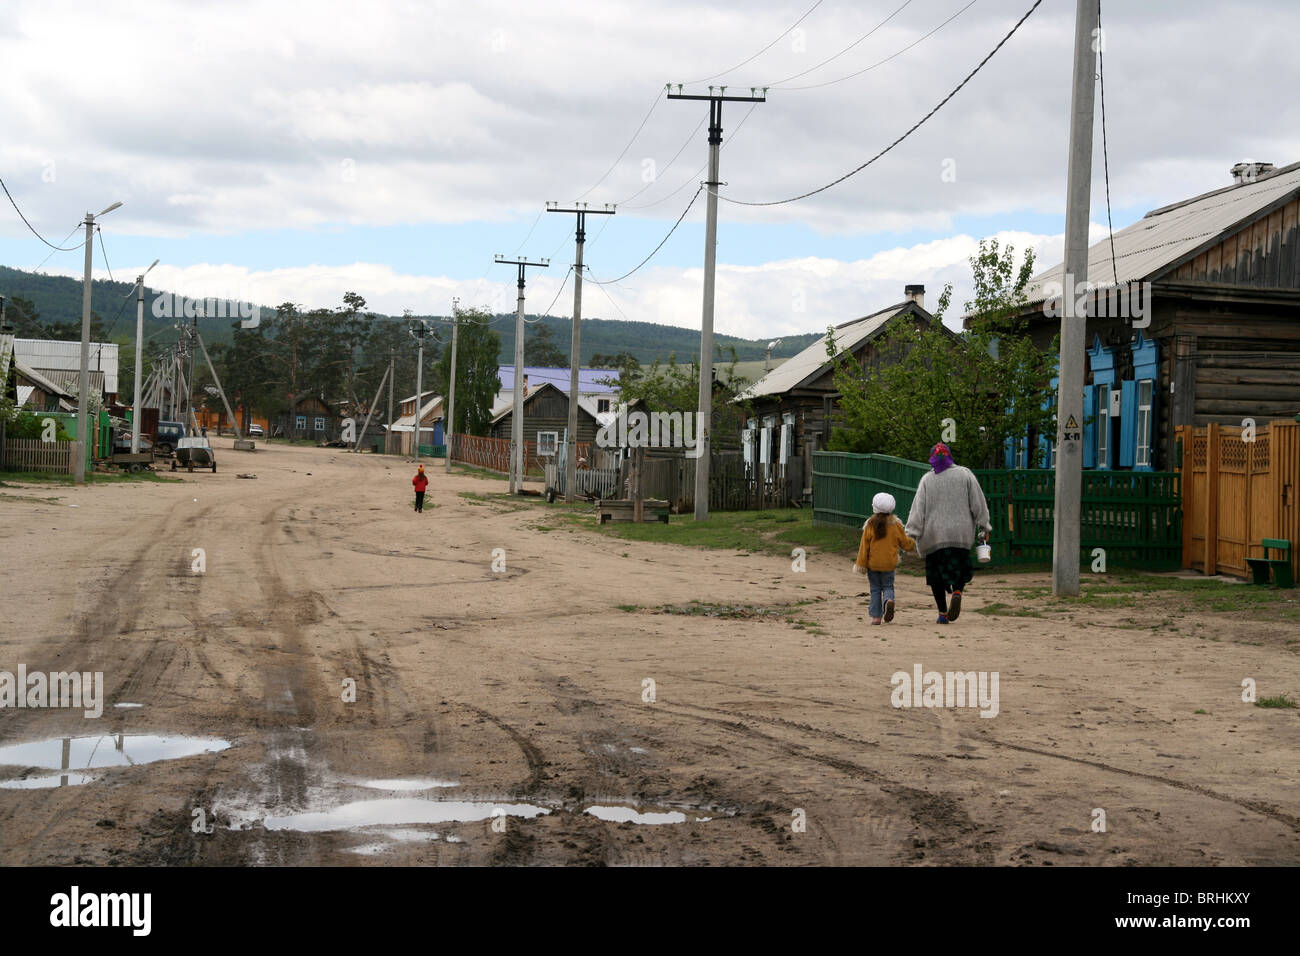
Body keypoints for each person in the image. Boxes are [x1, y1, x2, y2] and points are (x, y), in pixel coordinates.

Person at [904, 442, 991, 624]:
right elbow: (978, 503)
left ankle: (943, 613)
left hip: (934, 536)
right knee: (960, 568)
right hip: (961, 534)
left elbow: (918, 510)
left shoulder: (927, 479)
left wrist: (911, 533)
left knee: (936, 576)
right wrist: (984, 527)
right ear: (950, 456)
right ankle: (958, 591)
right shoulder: (965, 474)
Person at [853, 491, 915, 625]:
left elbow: (864, 547)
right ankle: (888, 601)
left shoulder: (869, 525)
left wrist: (861, 564)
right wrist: (913, 544)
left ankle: (876, 617)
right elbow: (904, 542)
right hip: (889, 564)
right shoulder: (896, 525)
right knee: (888, 586)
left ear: (874, 507)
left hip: (873, 564)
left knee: (875, 589)